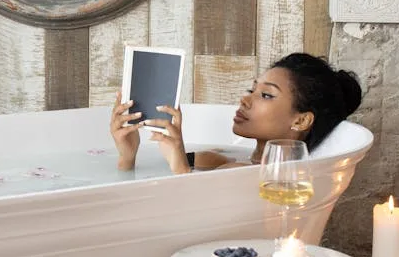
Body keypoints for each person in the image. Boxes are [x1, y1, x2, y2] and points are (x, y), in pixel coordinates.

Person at [110, 53, 363, 174]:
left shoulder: (282, 182)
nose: (245, 99)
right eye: (250, 89)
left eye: (266, 95)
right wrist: (128, 156)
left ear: (301, 119)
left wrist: (179, 166)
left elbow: (194, 222)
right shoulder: (221, 161)